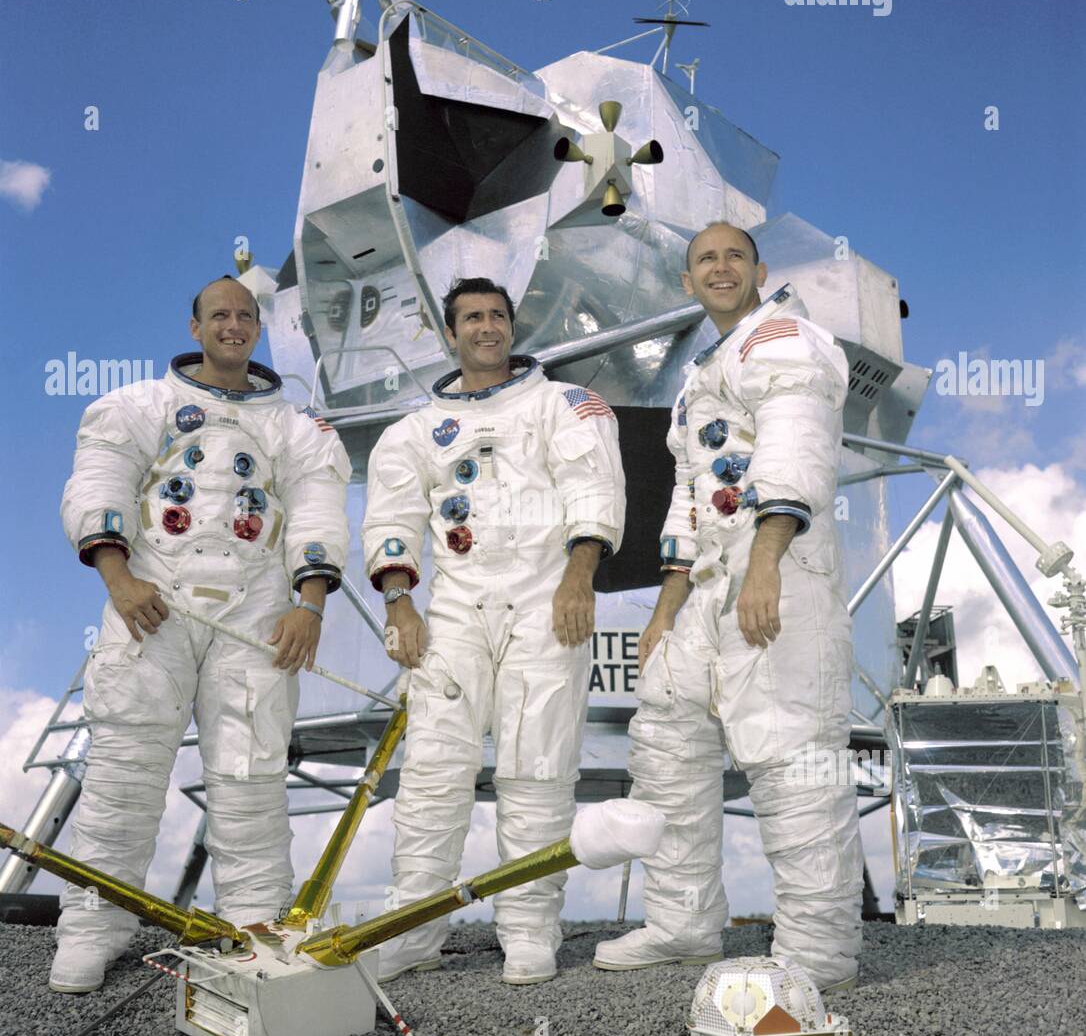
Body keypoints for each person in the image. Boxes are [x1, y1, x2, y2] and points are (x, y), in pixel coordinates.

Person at [53, 276, 351, 993]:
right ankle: (91, 931)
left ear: (258, 329)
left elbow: (317, 511)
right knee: (122, 776)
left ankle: (254, 934)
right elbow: (99, 484)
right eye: (220, 314)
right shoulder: (138, 406)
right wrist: (119, 579)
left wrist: (310, 605)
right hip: (151, 603)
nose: (233, 324)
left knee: (250, 781)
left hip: (255, 615)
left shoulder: (296, 428)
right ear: (195, 327)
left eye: (245, 315)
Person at [592, 223, 863, 993]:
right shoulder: (701, 377)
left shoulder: (785, 340)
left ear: (758, 270)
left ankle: (817, 954)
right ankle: (683, 923)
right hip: (708, 587)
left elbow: (794, 449)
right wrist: (664, 610)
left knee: (789, 752)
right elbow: (687, 500)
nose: (720, 267)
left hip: (780, 569)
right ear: (688, 281)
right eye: (705, 259)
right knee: (666, 740)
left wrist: (766, 563)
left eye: (734, 256)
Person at [362, 277, 625, 985]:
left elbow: (593, 491)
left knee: (536, 769)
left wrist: (579, 578)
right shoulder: (412, 432)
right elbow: (390, 520)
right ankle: (411, 929)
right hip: (455, 608)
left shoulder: (564, 404)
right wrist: (399, 604)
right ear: (450, 334)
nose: (487, 327)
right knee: (432, 771)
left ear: (512, 326)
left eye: (498, 316)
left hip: (546, 599)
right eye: (472, 318)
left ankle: (530, 929)